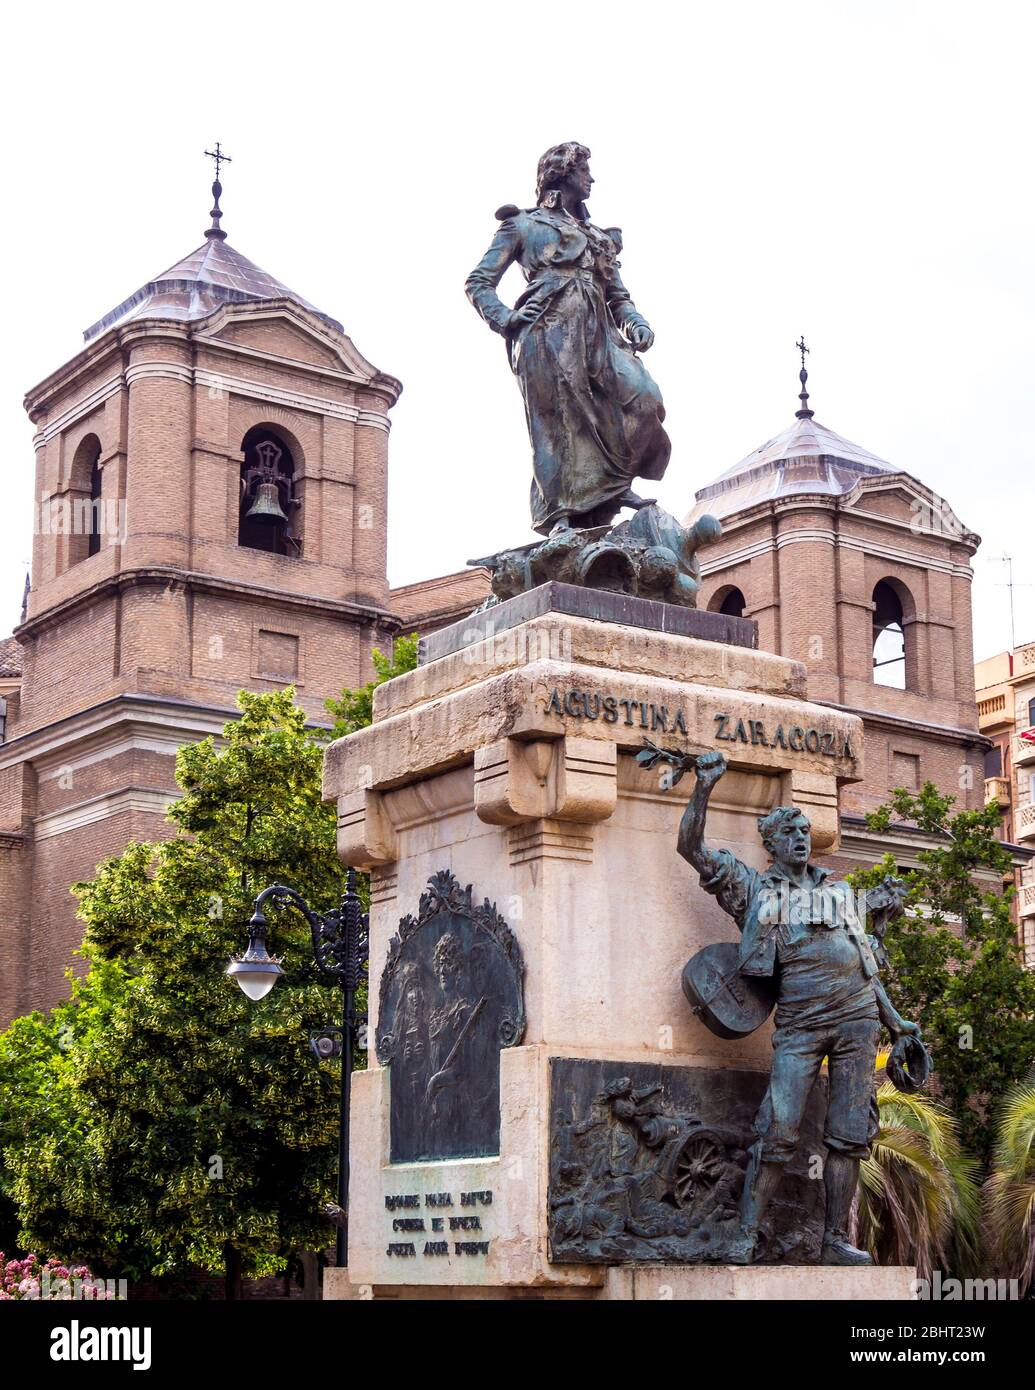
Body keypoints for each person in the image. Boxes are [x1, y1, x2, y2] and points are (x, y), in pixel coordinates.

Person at [675, 749, 923, 1265]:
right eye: (788, 834)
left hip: (858, 1018)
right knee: (779, 1129)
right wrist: (704, 787)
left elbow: (864, 962)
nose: (800, 839)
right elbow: (691, 847)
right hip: (801, 1025)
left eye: (804, 831)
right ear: (770, 845)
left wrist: (896, 1022)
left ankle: (833, 1241)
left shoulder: (840, 891)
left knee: (850, 1136)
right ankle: (745, 1233)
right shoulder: (753, 887)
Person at [466, 142, 671, 536]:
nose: (591, 178)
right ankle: (558, 514)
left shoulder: (597, 236)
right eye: (584, 171)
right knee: (556, 420)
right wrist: (507, 318)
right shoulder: (523, 225)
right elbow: (479, 282)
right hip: (546, 328)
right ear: (562, 174)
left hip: (600, 334)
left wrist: (636, 324)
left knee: (644, 398)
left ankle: (612, 485)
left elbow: (618, 295)